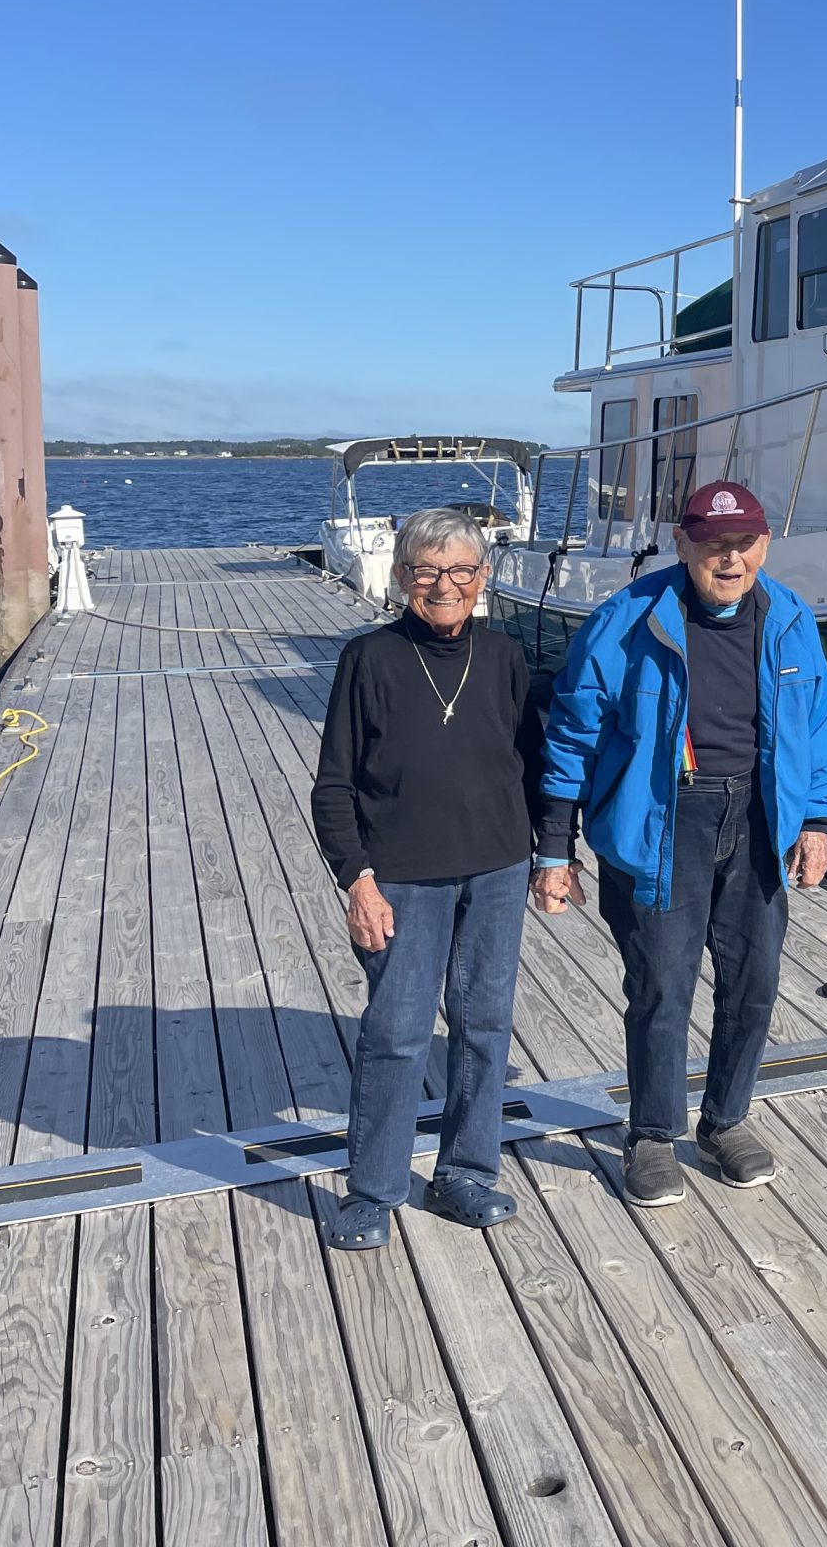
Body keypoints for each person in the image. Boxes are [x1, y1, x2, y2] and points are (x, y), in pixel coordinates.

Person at [532, 480, 827, 1207]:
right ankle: (652, 1133)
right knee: (662, 987)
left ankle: (725, 1120)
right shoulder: (625, 620)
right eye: (712, 546)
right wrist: (554, 848)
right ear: (682, 546)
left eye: (742, 545)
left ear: (763, 546)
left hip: (759, 821)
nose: (728, 560)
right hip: (661, 823)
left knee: (754, 983)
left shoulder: (791, 618)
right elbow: (571, 737)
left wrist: (818, 822)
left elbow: (818, 728)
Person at [312, 506, 544, 1251]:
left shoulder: (506, 657)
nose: (444, 585)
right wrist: (359, 880)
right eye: (426, 570)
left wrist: (553, 857)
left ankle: (465, 1172)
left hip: (499, 870)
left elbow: (531, 766)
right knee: (397, 1033)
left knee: (483, 1026)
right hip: (403, 877)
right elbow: (334, 786)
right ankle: (373, 1190)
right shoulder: (369, 659)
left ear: (482, 578)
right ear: (403, 576)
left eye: (461, 570)